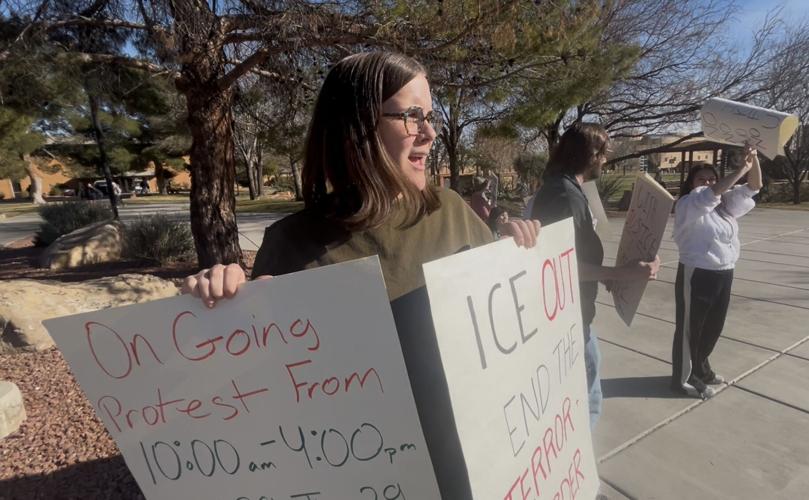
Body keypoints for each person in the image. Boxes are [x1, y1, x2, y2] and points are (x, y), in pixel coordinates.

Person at [182, 51, 540, 498]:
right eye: (411, 116)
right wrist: (218, 307)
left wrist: (512, 250)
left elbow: (501, 332)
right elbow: (261, 397)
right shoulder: (291, 244)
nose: (428, 133)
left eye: (429, 117)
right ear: (357, 126)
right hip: (371, 477)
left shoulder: (451, 211)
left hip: (471, 464)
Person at [529, 122, 660, 430]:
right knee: (588, 402)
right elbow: (561, 265)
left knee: (582, 395)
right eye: (604, 152)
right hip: (569, 318)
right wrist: (621, 273)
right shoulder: (566, 196)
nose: (606, 159)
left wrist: (607, 276)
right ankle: (578, 473)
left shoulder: (563, 188)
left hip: (570, 314)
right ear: (590, 154)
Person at [670, 145, 762, 399]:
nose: (709, 182)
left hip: (723, 271)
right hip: (697, 272)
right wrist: (739, 169)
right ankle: (684, 381)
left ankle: (702, 370)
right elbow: (709, 194)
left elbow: (754, 187)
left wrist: (753, 160)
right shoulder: (688, 204)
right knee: (691, 329)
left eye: (712, 178)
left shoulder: (724, 205)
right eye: (702, 178)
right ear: (691, 183)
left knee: (712, 327)